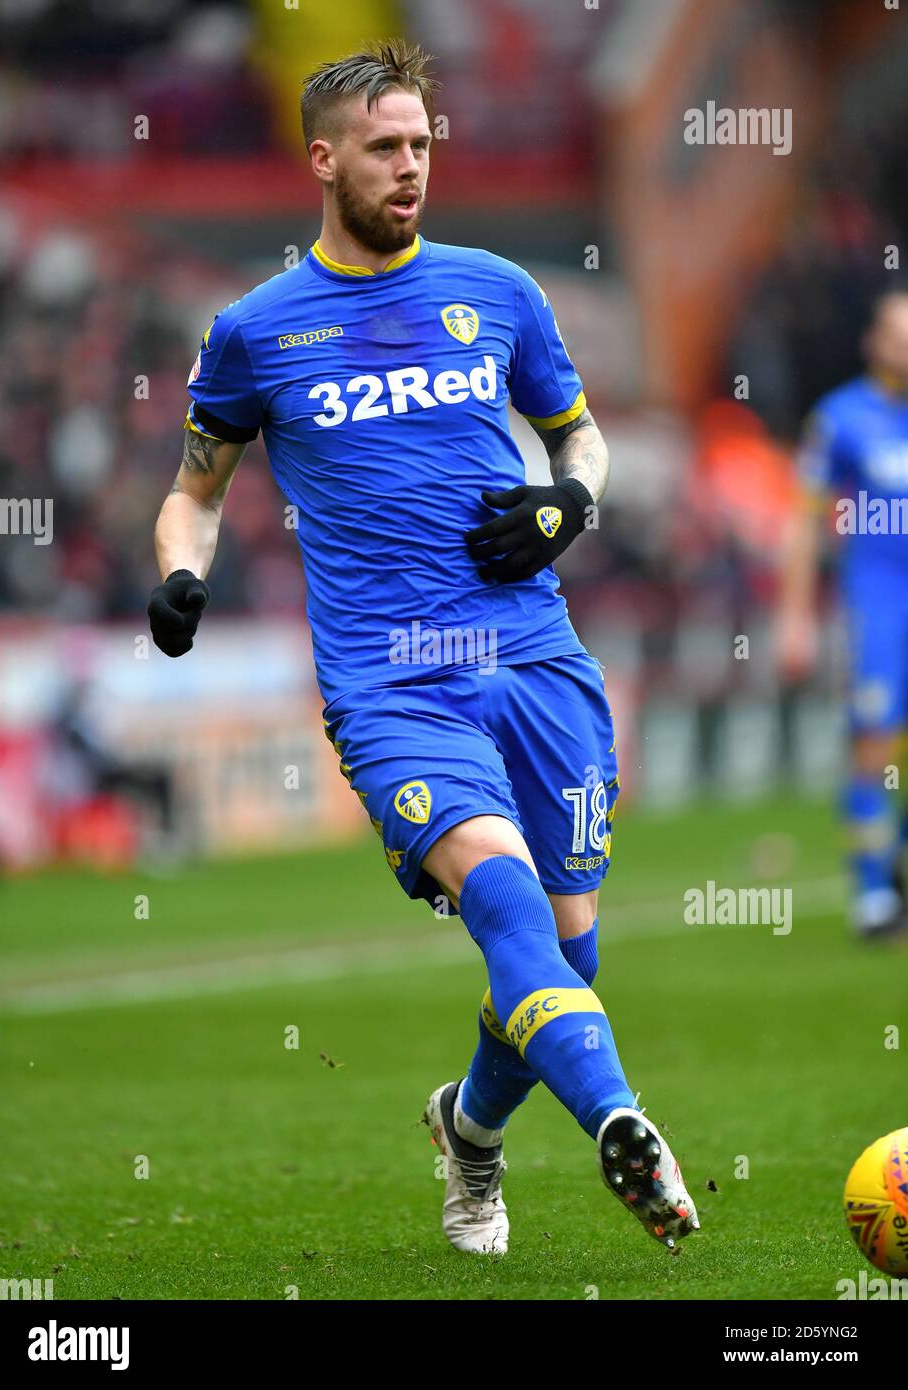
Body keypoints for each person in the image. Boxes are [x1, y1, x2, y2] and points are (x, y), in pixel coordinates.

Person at [148, 39, 699, 1257]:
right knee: (504, 898)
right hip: (392, 681)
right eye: (385, 148)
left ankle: (470, 1130)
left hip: (535, 659)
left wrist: (570, 504)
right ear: (322, 159)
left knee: (569, 949)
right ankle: (621, 1120)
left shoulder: (497, 290)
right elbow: (193, 490)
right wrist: (180, 575)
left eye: (422, 145)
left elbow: (582, 438)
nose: (411, 168)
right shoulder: (255, 330)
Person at [778, 289, 908, 940]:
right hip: (878, 601)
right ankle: (873, 894)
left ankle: (895, 867)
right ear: (873, 342)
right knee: (873, 741)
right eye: (897, 333)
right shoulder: (841, 417)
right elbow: (805, 524)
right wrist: (794, 618)